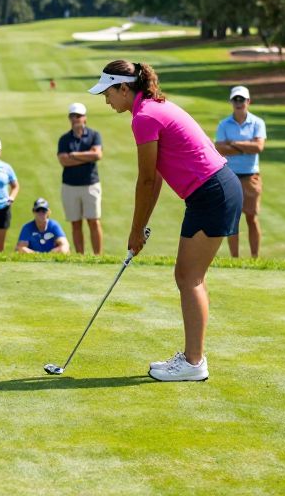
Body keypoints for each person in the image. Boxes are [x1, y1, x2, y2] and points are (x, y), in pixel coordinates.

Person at [89, 60, 241, 382]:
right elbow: (156, 176)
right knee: (189, 276)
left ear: (124, 88)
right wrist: (141, 227)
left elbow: (145, 180)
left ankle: (193, 363)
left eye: (108, 93)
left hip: (212, 193)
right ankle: (192, 357)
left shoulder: (144, 117)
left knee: (189, 277)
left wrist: (134, 230)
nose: (106, 100)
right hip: (214, 190)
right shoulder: (154, 107)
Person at [214, 86, 266, 258]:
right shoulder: (224, 124)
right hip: (230, 177)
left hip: (250, 176)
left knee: (251, 217)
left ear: (248, 102)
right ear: (231, 102)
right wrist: (245, 146)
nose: (238, 103)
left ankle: (254, 257)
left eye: (242, 100)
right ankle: (234, 258)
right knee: (232, 220)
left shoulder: (257, 123)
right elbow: (220, 148)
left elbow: (258, 147)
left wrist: (233, 143)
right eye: (235, 100)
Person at [57, 102, 104, 255]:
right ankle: (80, 256)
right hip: (70, 186)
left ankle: (98, 256)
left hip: (90, 185)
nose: (76, 118)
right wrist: (87, 156)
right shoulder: (64, 139)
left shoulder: (94, 135)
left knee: (94, 221)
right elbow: (63, 160)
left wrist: (75, 155)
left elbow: (97, 155)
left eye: (79, 115)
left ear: (85, 117)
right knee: (75, 223)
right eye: (72, 116)